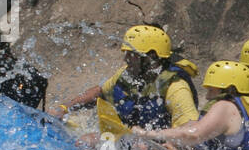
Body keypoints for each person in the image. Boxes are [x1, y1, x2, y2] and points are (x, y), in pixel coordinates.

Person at [49, 25, 199, 130]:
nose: (126, 59)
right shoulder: (127, 75)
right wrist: (64, 108)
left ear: (151, 58)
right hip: (129, 141)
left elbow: (191, 132)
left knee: (89, 143)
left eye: (132, 54)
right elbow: (99, 92)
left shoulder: (176, 88)